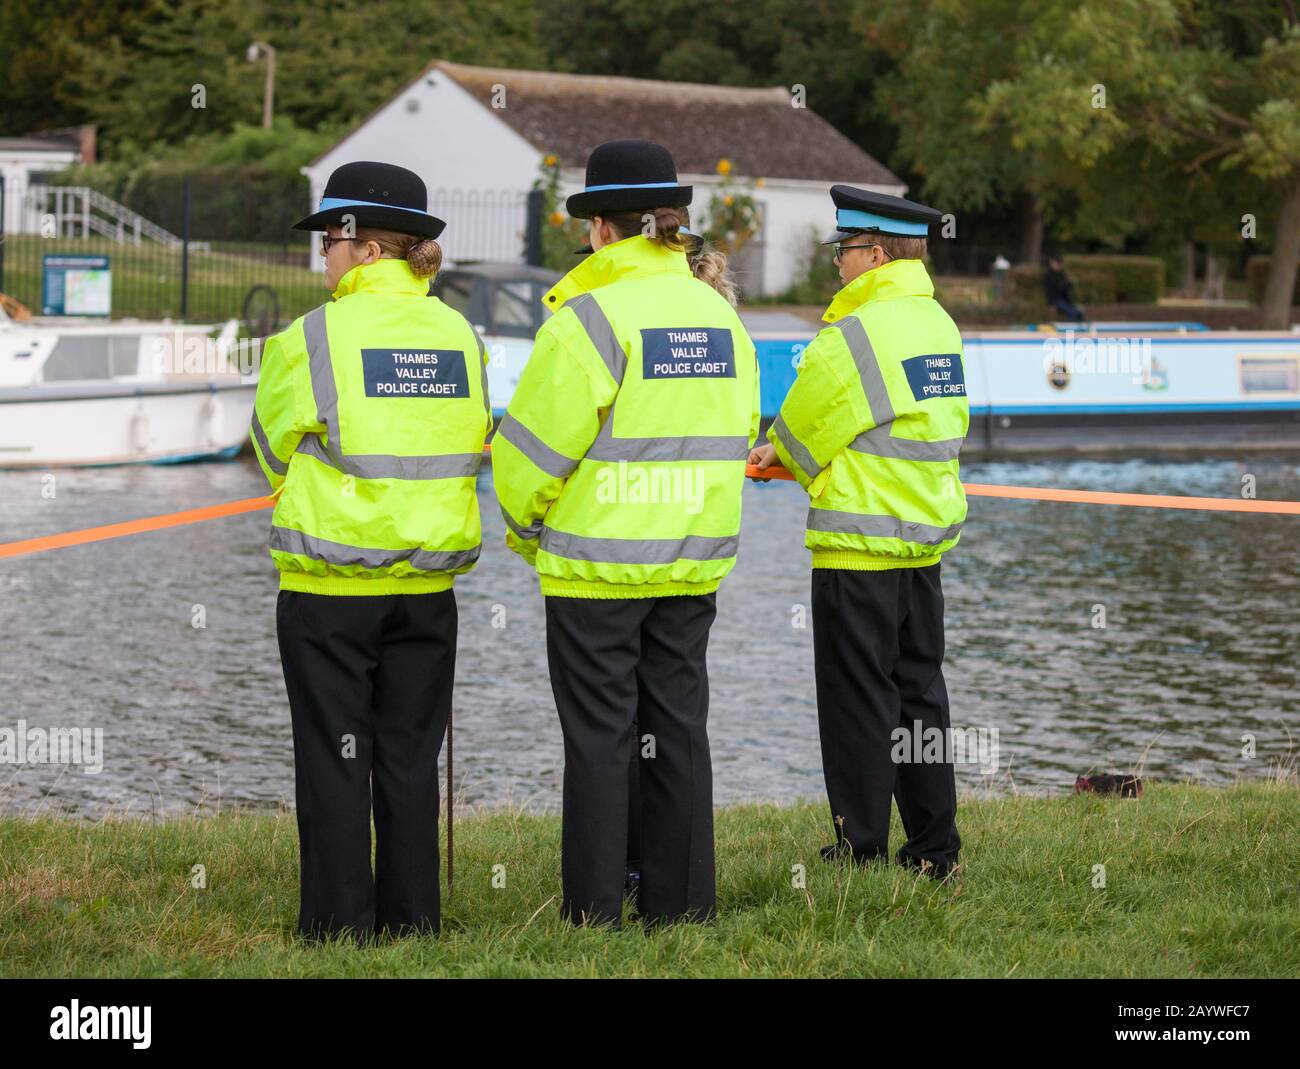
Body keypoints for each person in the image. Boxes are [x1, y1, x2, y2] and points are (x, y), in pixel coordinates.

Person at [493, 139, 759, 928]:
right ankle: (681, 907)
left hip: (594, 570)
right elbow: (743, 425)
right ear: (672, 228)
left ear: (603, 231)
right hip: (690, 563)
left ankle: (595, 911)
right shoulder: (722, 318)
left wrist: (528, 532)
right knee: (677, 730)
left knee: (602, 741)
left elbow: (529, 456)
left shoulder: (588, 321)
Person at [249, 160, 491, 943]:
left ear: (364, 249)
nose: (322, 256)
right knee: (410, 759)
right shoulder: (460, 334)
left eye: (327, 241)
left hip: (329, 585)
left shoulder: (310, 337)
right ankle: (414, 922)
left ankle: (336, 927)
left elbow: (269, 449)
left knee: (334, 759)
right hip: (426, 588)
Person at [750, 185, 968, 880]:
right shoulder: (939, 324)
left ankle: (860, 843)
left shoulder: (853, 335)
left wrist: (771, 452)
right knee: (920, 695)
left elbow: (804, 431)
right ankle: (935, 846)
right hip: (923, 543)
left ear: (874, 253)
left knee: (856, 700)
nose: (836, 265)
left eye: (843, 251)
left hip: (857, 548)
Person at [1044, 254, 1085, 321]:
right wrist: (1067, 282)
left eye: (1060, 263)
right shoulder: (1049, 275)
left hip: (1064, 300)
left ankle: (1075, 329)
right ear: (1052, 262)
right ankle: (1070, 330)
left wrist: (1069, 282)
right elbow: (1056, 288)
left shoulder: (1061, 274)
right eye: (1057, 263)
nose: (1059, 265)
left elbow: (1066, 288)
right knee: (1074, 313)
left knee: (1079, 313)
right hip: (1055, 300)